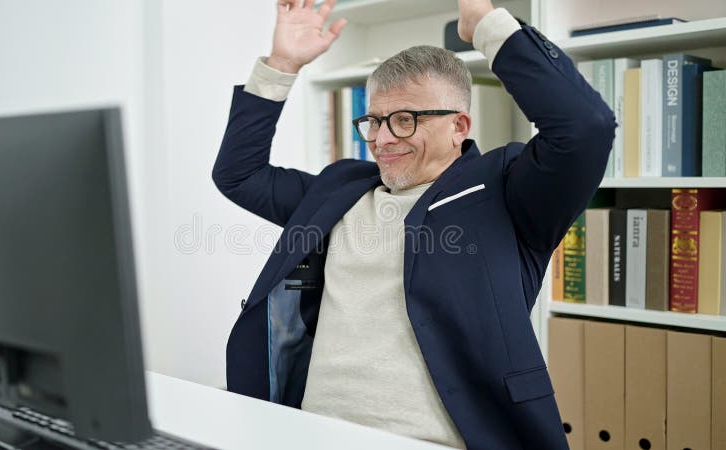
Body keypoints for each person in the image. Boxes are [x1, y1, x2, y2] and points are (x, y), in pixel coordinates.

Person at [212, 0, 615, 448]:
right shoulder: (339, 187)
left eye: (405, 121)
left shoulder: (507, 193)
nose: (383, 140)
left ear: (459, 125)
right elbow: (238, 175)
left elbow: (586, 128)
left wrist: (486, 26)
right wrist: (282, 65)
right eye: (375, 121)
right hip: (313, 434)